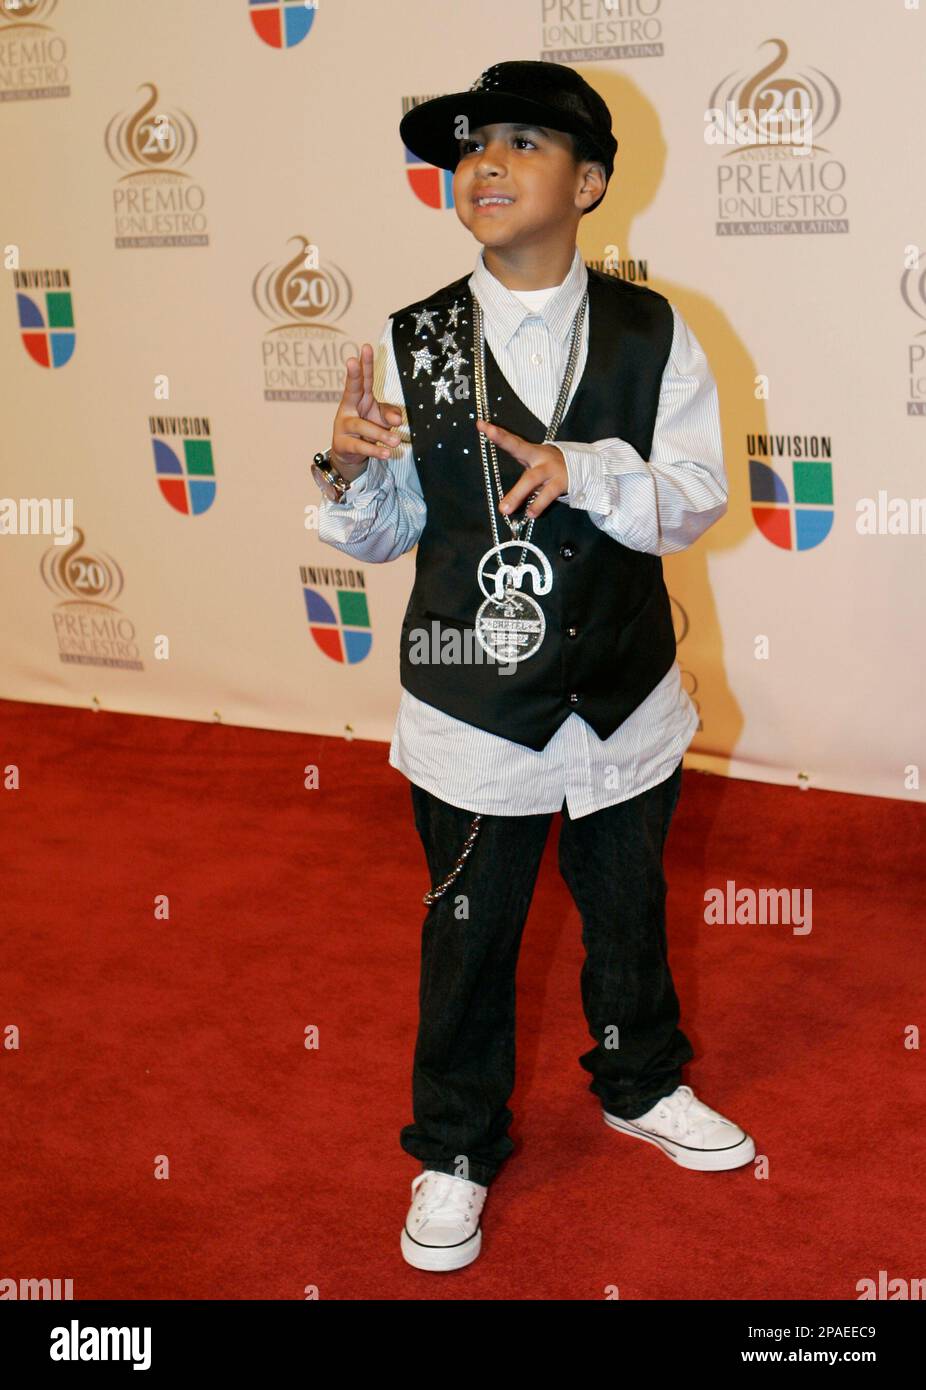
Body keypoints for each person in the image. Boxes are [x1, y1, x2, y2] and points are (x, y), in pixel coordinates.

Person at [312, 60, 753, 1274]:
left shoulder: (656, 330)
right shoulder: (417, 343)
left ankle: (637, 1078)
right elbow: (397, 529)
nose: (485, 165)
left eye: (521, 142)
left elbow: (694, 501)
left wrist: (589, 469)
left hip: (621, 688)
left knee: (627, 909)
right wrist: (348, 477)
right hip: (472, 701)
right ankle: (452, 1144)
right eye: (468, 150)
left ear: (592, 180)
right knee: (468, 929)